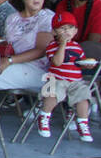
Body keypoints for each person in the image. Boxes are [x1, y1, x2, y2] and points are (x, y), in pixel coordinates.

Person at [37, 11, 93, 142]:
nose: (67, 30)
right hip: (56, 79)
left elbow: (79, 63)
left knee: (83, 96)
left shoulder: (77, 47)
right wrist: (63, 44)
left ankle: (82, 123)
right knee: (52, 92)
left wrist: (86, 65)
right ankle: (44, 117)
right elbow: (57, 62)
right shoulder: (52, 46)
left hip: (75, 81)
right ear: (54, 32)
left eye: (70, 27)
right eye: (62, 28)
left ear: (75, 31)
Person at [0, 0, 54, 91]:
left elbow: (41, 50)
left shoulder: (47, 17)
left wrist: (10, 60)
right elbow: (8, 43)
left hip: (39, 69)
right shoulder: (12, 18)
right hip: (12, 63)